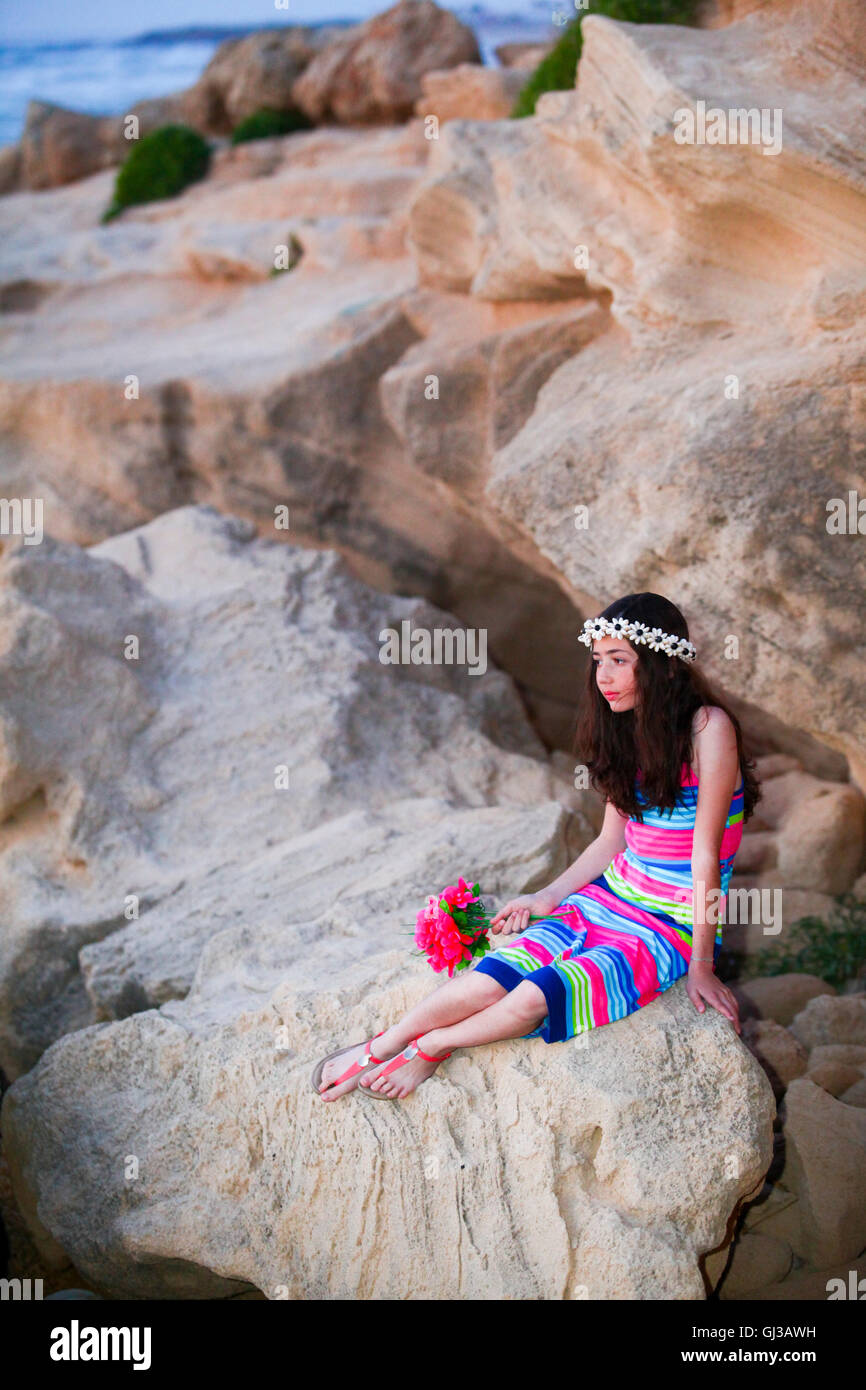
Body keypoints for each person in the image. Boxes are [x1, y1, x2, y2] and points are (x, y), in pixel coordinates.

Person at [313, 592, 761, 1103]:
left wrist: (701, 963)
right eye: (599, 661)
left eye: (620, 661)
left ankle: (434, 1046)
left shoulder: (708, 729)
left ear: (661, 665)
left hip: (667, 923)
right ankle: (380, 1045)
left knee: (533, 998)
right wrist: (546, 897)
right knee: (488, 983)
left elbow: (705, 855)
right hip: (607, 899)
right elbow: (611, 840)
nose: (604, 677)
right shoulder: (625, 730)